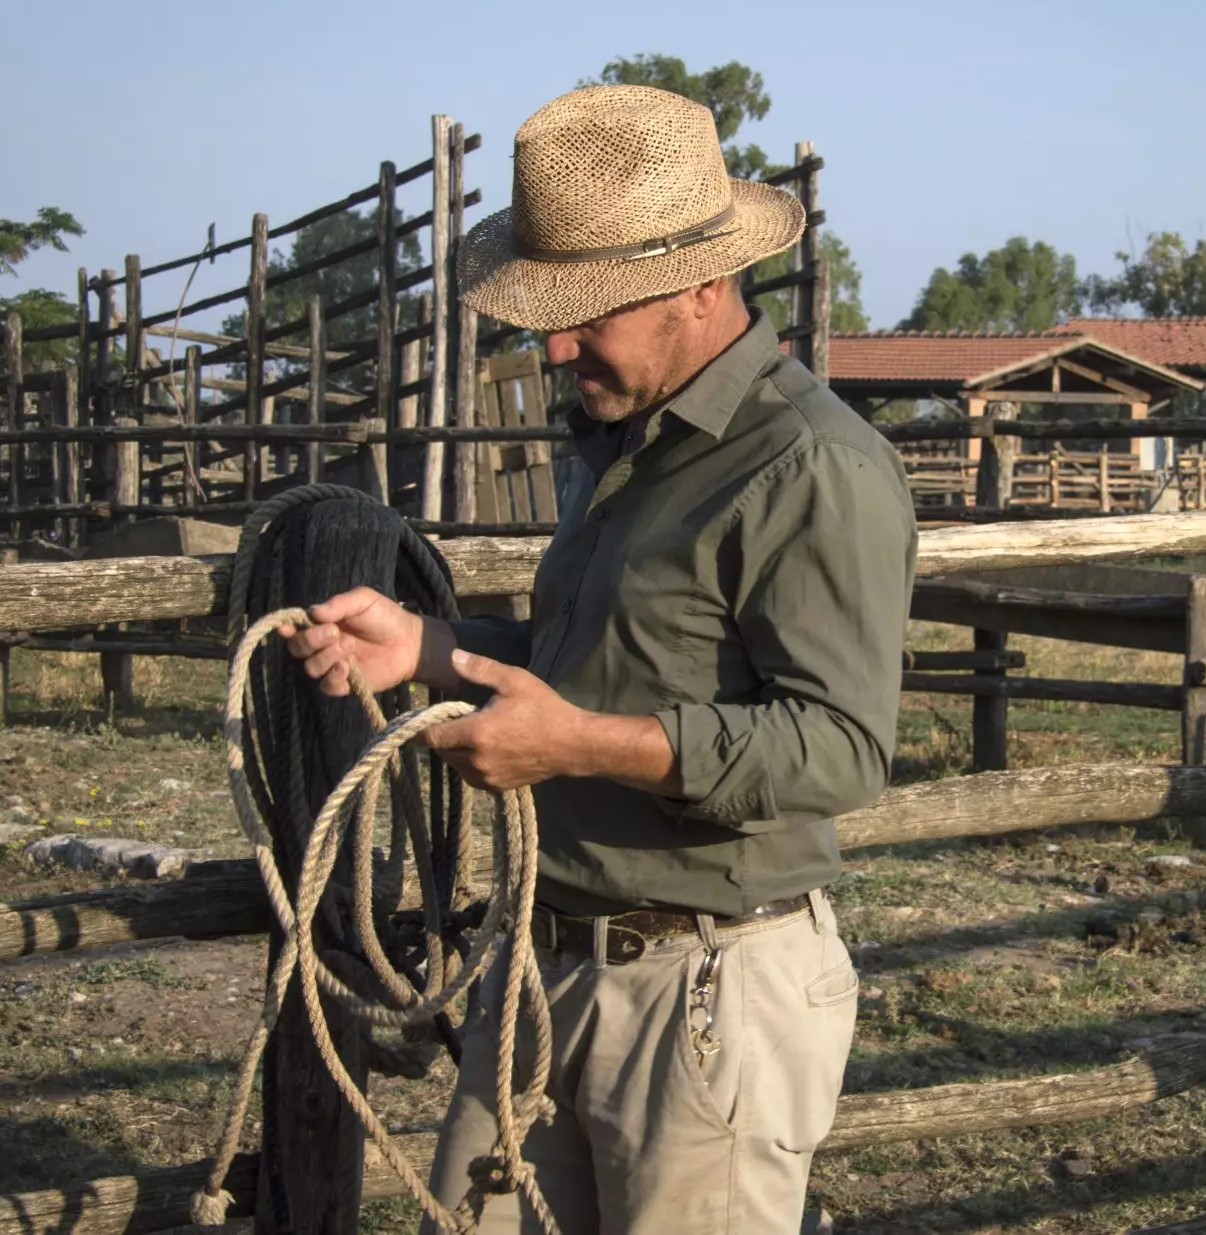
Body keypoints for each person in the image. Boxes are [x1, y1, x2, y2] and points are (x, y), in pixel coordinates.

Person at [279, 83, 916, 1234]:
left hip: (704, 988)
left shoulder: (812, 466)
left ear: (701, 288)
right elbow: (599, 666)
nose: (554, 342)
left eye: (589, 311)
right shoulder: (621, 436)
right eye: (548, 311)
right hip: (543, 966)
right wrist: (424, 646)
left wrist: (572, 744)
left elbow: (842, 746)